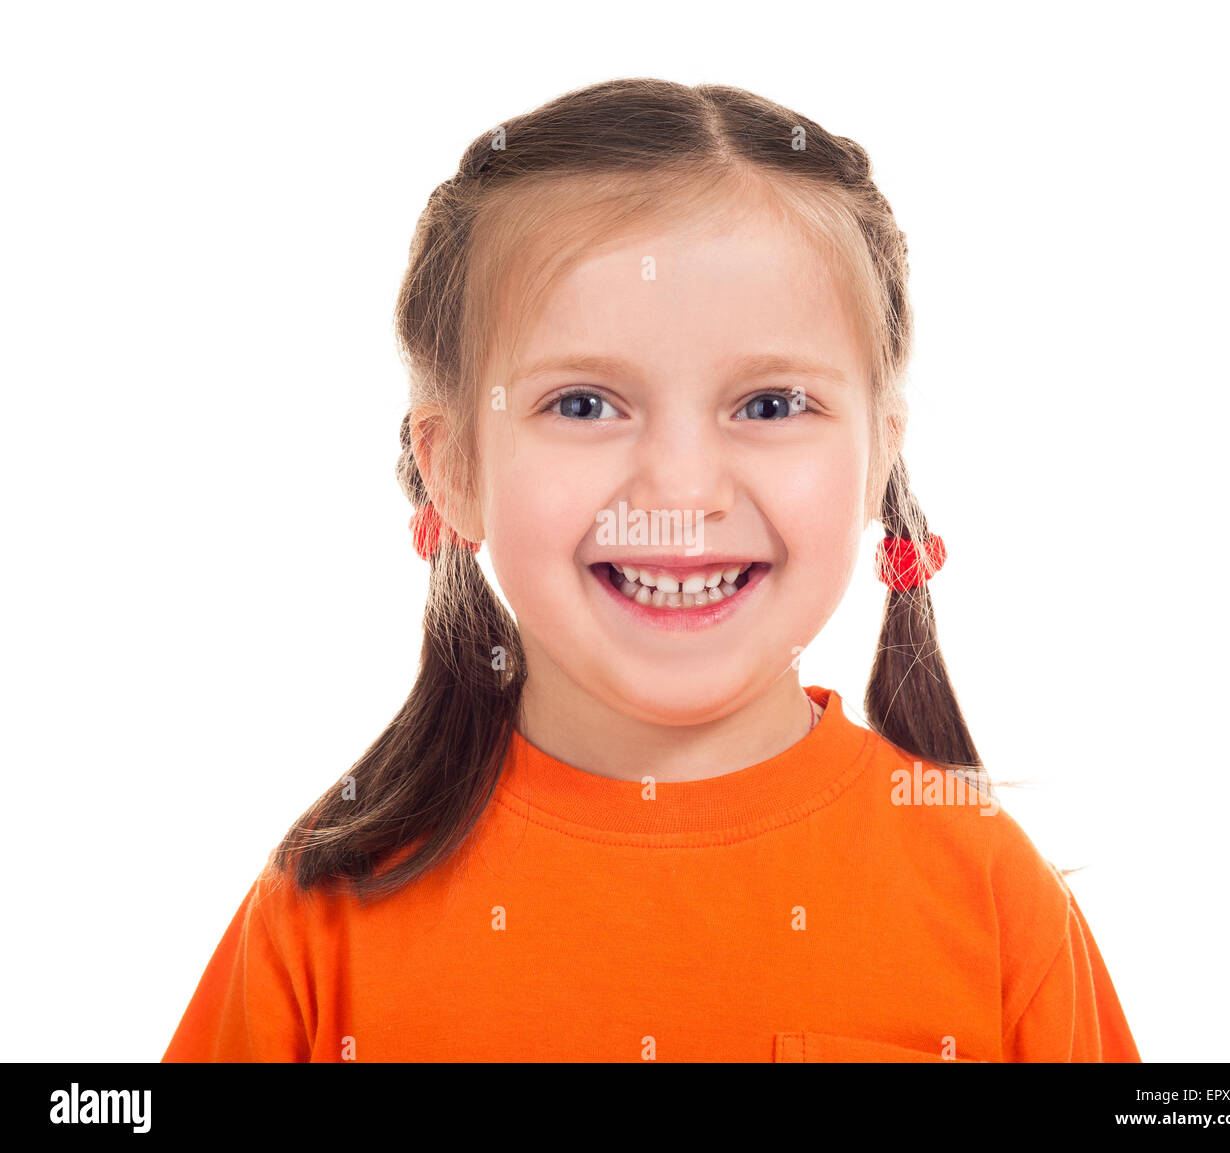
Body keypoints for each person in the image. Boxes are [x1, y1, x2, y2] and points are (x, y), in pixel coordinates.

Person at [162, 77, 1139, 1063]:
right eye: (583, 405)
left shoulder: (990, 897)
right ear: (452, 468)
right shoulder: (323, 919)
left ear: (877, 458)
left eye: (769, 405)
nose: (680, 490)